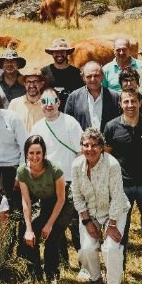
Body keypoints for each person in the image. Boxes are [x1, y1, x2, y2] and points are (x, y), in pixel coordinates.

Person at [103, 88, 142, 282]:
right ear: (120, 104)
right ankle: (118, 269)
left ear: (140, 103)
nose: (130, 105)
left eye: (133, 101)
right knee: (122, 228)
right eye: (126, 102)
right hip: (122, 186)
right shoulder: (112, 127)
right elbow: (107, 154)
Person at [72, 129, 130, 284]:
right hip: (90, 213)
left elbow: (117, 195)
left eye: (94, 145)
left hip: (115, 211)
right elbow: (76, 195)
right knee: (87, 249)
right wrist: (87, 221)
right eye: (85, 145)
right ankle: (95, 278)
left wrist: (111, 225)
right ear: (81, 147)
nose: (89, 149)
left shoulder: (112, 164)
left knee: (111, 248)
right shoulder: (76, 165)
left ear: (102, 147)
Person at [32, 87, 83, 268]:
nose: (48, 106)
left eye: (52, 101)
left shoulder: (71, 123)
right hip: (47, 184)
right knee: (54, 224)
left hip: (70, 180)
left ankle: (84, 263)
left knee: (75, 224)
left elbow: (80, 152)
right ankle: (62, 262)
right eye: (44, 102)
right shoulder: (37, 127)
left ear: (59, 103)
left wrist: (77, 180)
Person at [17, 135, 67, 283]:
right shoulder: (22, 171)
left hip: (61, 204)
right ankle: (34, 274)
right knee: (29, 237)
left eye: (38, 153)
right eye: (31, 153)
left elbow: (61, 198)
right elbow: (26, 201)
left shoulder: (55, 169)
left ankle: (52, 275)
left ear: (44, 153)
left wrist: (49, 224)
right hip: (42, 203)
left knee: (51, 238)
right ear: (26, 153)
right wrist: (29, 229)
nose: (35, 156)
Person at [41, 38, 82, 109]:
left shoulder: (76, 73)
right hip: (51, 111)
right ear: (52, 53)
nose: (59, 54)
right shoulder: (45, 72)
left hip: (70, 111)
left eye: (62, 51)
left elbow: (80, 96)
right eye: (56, 52)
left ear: (67, 53)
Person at [8, 66, 47, 130]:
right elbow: (9, 128)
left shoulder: (48, 104)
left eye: (35, 81)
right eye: (29, 82)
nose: (32, 85)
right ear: (24, 84)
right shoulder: (14, 104)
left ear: (41, 84)